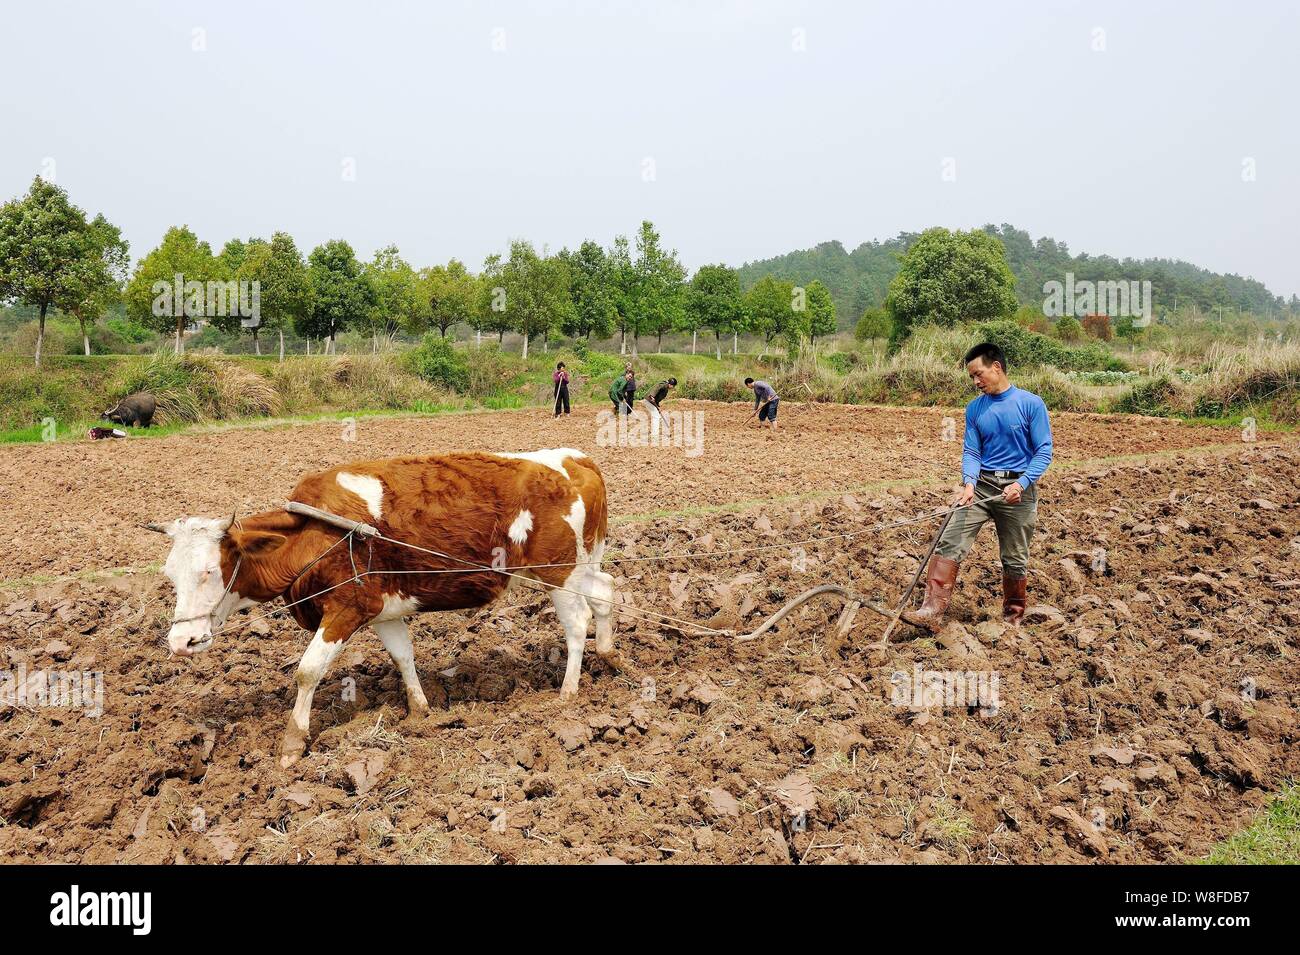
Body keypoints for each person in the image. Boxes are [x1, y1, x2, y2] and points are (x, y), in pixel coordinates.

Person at [902, 342, 1053, 630]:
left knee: (1014, 555)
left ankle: (1012, 619)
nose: (975, 381)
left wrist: (1020, 484)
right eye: (971, 376)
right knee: (951, 538)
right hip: (982, 486)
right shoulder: (975, 409)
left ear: (997, 367)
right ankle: (931, 610)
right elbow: (972, 451)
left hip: (1019, 490)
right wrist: (969, 483)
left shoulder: (1031, 404)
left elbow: (1044, 452)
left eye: (978, 374)